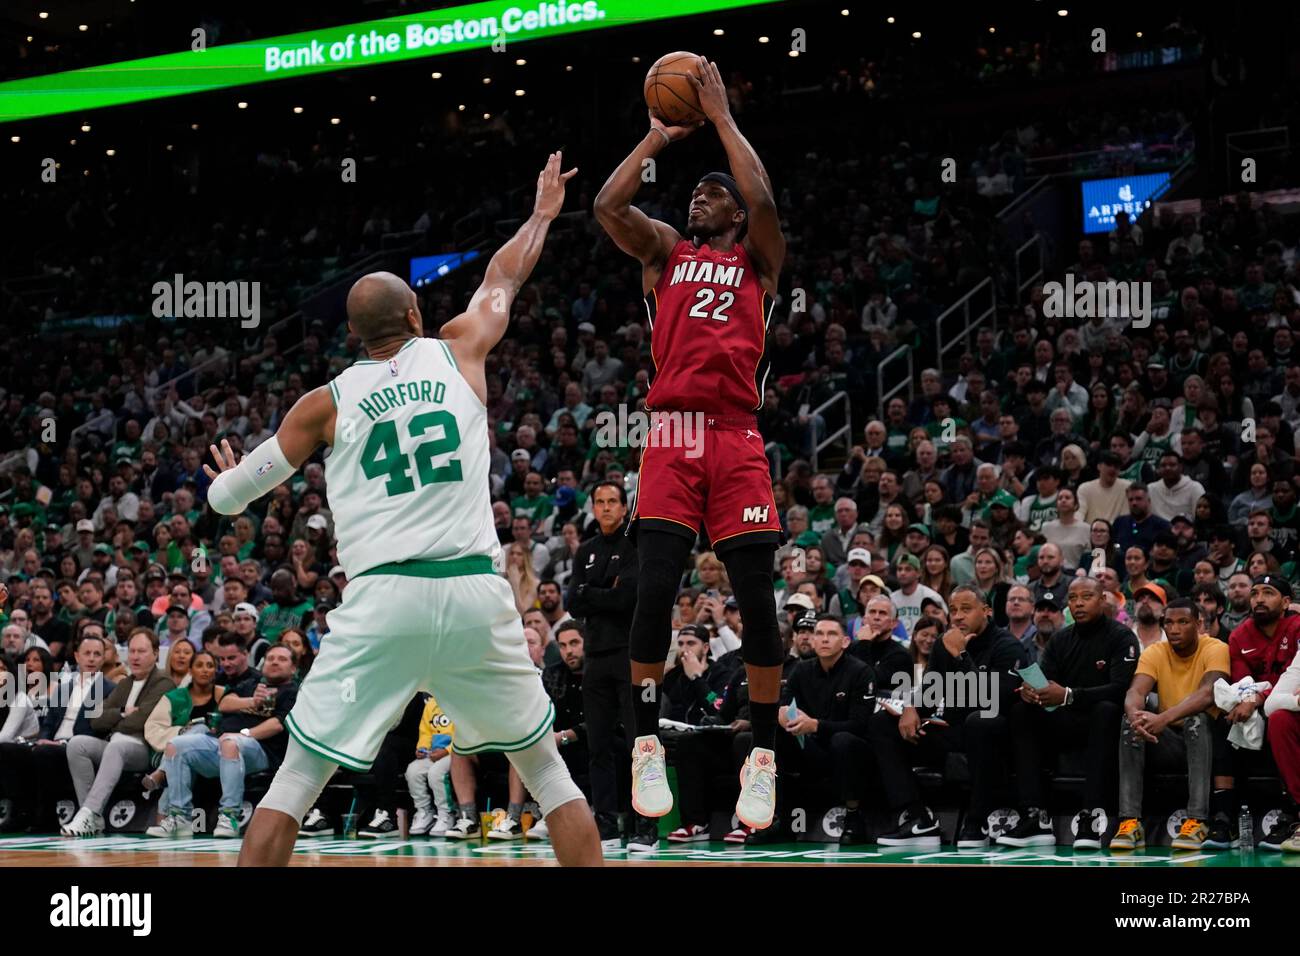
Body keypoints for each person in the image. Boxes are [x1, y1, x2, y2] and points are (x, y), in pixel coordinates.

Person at [205, 153, 599, 866]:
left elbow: (233, 495)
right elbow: (504, 276)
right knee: (546, 772)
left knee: (295, 779)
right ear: (417, 315)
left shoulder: (324, 403)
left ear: (355, 335)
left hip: (383, 600)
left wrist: (225, 483)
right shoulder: (460, 348)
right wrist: (542, 213)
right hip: (475, 592)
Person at [596, 57, 787, 834]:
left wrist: (721, 118)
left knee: (756, 599)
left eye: (713, 192)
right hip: (673, 432)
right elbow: (609, 202)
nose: (695, 196)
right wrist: (654, 137)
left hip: (737, 432)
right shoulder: (665, 253)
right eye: (695, 189)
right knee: (655, 588)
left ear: (736, 214)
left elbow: (766, 196)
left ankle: (764, 755)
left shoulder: (759, 258)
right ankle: (647, 738)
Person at [871, 585, 1024, 847]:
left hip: (997, 737)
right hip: (955, 732)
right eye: (953, 610)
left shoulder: (1008, 646)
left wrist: (961, 656)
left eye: (966, 609)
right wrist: (911, 709)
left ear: (986, 611)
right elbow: (930, 694)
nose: (958, 616)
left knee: (980, 722)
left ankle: (976, 822)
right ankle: (918, 818)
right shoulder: (945, 643)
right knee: (883, 723)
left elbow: (995, 700)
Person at [996, 577, 1139, 849]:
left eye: (1087, 596)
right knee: (1021, 711)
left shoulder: (1121, 637)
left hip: (1101, 723)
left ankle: (1090, 816)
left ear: (1102, 600)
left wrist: (1070, 695)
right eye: (1073, 598)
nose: (1079, 603)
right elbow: (1045, 681)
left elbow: (1121, 689)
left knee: (1107, 710)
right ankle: (1035, 815)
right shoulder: (1060, 640)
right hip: (1064, 719)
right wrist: (1031, 692)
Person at [1110, 599, 1231, 852]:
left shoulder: (1215, 648)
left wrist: (1163, 718)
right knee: (1130, 721)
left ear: (1198, 624)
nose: (1174, 629)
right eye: (1169, 623)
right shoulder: (1155, 651)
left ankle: (1197, 820)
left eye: (1183, 622)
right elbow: (1136, 691)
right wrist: (1135, 716)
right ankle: (1130, 822)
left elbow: (1208, 693)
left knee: (1196, 720)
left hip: (1206, 741)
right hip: (1167, 740)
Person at [148, 644, 299, 838]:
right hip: (220, 742)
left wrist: (245, 734)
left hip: (261, 749)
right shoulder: (251, 684)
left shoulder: (293, 691)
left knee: (229, 742)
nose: (275, 662)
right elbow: (225, 703)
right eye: (270, 658)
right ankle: (180, 818)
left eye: (282, 659)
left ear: (293, 668)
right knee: (176, 745)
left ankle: (230, 817)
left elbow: (277, 725)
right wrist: (252, 701)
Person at [565, 480, 640, 849]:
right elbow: (572, 602)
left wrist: (592, 594)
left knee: (638, 742)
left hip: (628, 654)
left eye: (613, 502)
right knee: (598, 745)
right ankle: (607, 825)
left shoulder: (634, 546)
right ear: (593, 508)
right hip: (594, 658)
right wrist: (601, 593)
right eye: (600, 502)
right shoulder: (586, 551)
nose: (607, 507)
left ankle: (644, 825)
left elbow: (627, 597)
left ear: (625, 508)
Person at [61, 628, 175, 836]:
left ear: (156, 654)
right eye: (132, 651)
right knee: (77, 744)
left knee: (117, 745)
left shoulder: (163, 682)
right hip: (117, 744)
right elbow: (95, 720)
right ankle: (91, 816)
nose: (135, 657)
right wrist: (122, 713)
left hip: (145, 749)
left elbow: (141, 722)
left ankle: (88, 812)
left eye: (141, 651)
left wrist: (114, 721)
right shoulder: (125, 683)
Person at [0, 634, 114, 833]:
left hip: (78, 745)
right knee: (8, 750)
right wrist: (43, 738)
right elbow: (49, 723)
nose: (92, 658)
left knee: (44, 754)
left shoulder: (108, 689)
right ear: (77, 657)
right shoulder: (63, 688)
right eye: (87, 653)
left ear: (103, 658)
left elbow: (97, 727)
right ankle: (21, 812)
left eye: (97, 654)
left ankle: (46, 816)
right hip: (51, 742)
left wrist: (61, 743)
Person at [405, 694, 456, 838]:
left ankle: (447, 813)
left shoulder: (461, 701)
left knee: (436, 772)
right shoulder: (431, 703)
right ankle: (424, 811)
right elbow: (425, 732)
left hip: (455, 753)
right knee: (413, 770)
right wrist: (422, 748)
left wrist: (446, 751)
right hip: (433, 753)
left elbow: (465, 733)